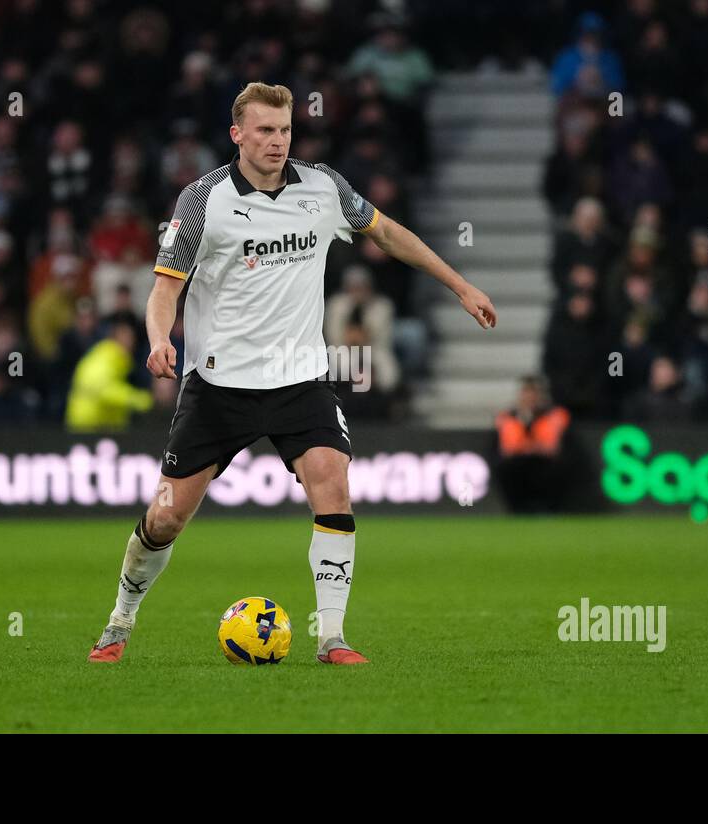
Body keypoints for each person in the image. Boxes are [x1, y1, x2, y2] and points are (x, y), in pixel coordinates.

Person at [89, 82, 497, 665]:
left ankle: (331, 637)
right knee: (168, 515)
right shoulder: (202, 201)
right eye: (264, 130)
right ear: (237, 135)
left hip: (299, 377)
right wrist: (159, 339)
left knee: (332, 485)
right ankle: (119, 620)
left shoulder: (323, 187)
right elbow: (165, 288)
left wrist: (459, 284)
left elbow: (384, 231)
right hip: (218, 385)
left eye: (284, 130)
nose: (277, 141)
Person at [494, 376, 571, 513]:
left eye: (533, 393)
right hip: (518, 462)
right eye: (526, 393)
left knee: (556, 469)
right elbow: (506, 448)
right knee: (507, 468)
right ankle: (518, 508)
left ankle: (548, 508)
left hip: (544, 462)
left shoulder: (554, 415)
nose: (530, 398)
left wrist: (533, 447)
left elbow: (554, 446)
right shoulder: (508, 417)